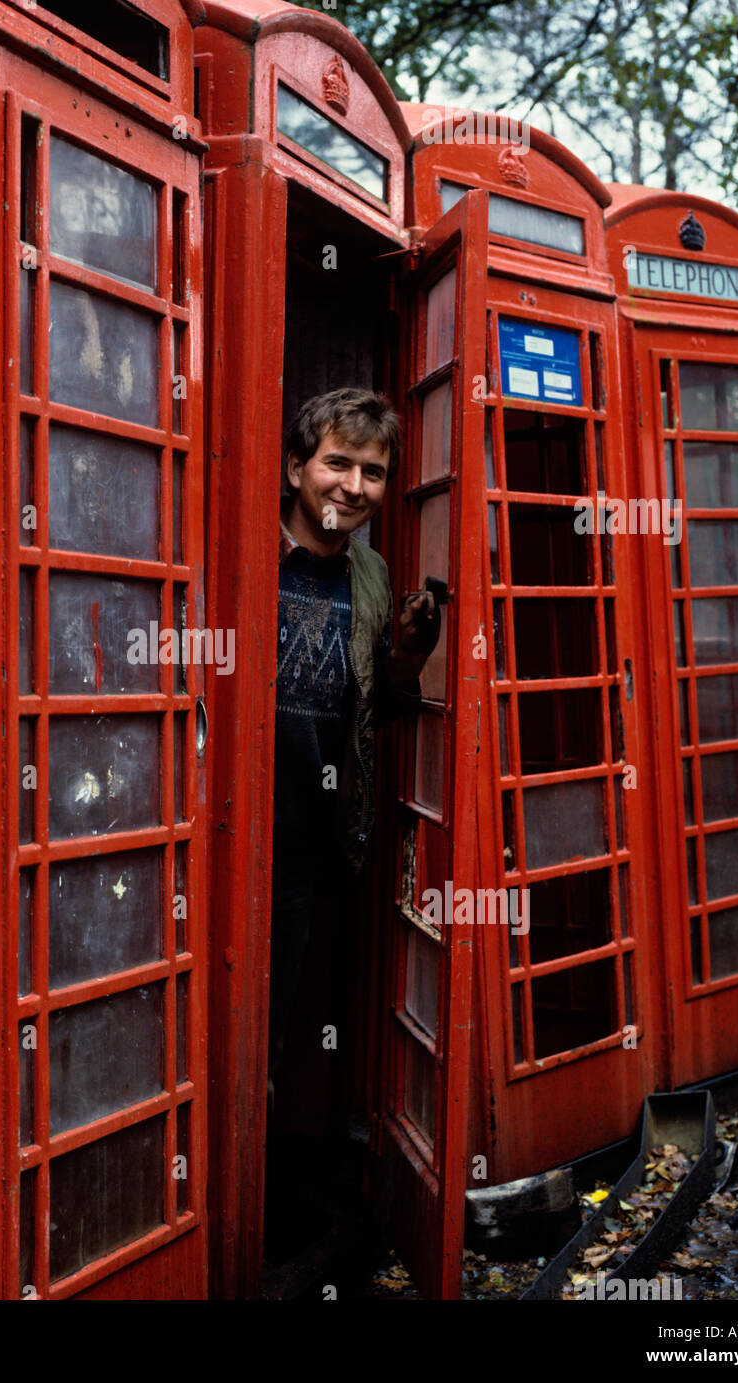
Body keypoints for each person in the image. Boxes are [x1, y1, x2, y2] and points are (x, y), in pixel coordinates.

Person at [268, 387, 441, 1106]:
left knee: (275, 1017)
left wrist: (405, 659)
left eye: (372, 473)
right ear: (294, 467)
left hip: (310, 842)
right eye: (337, 463)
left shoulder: (370, 576)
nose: (353, 486)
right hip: (217, 825)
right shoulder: (244, 544)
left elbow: (381, 713)